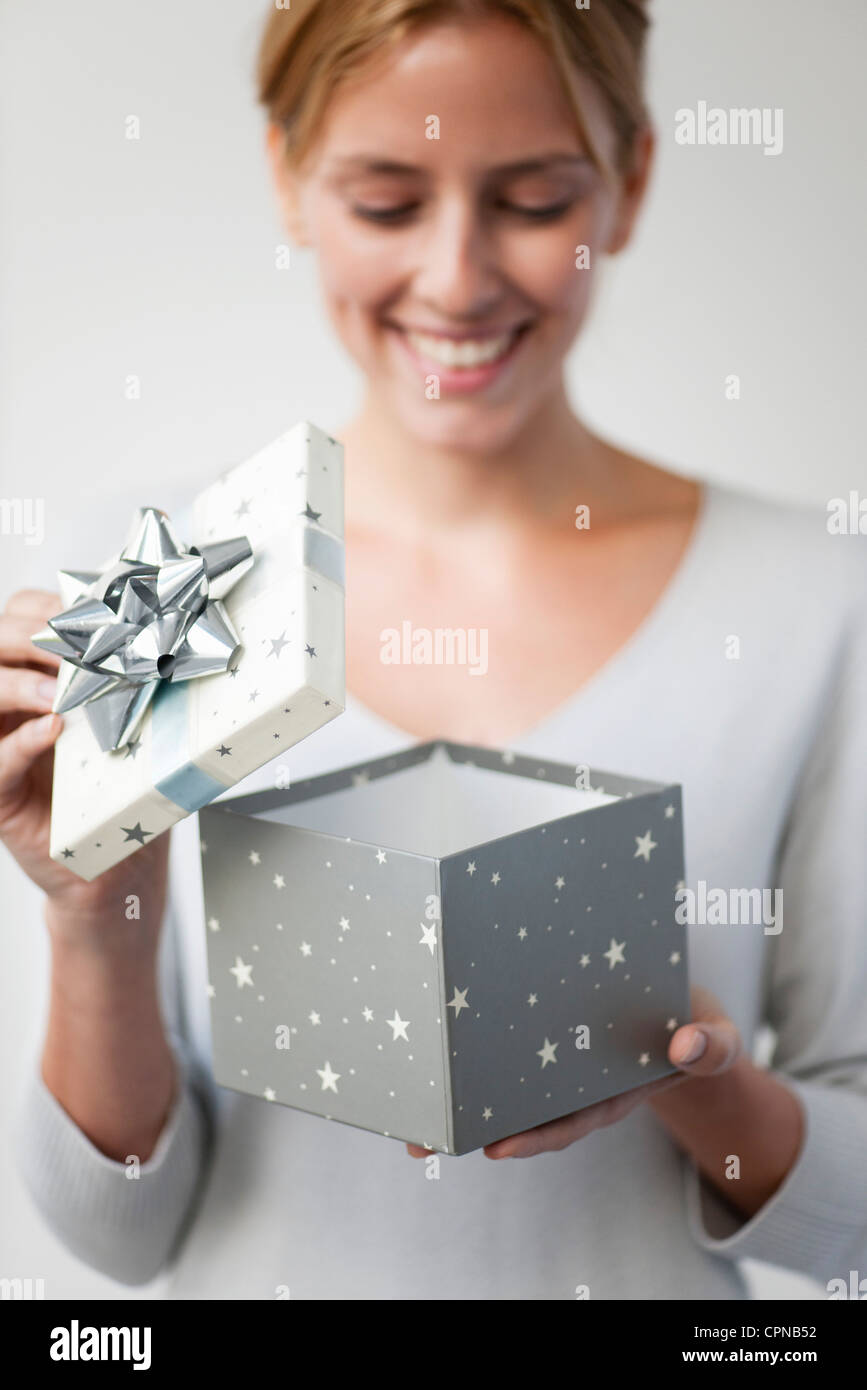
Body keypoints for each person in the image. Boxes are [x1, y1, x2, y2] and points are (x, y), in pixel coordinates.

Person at [3, 0, 867, 1299]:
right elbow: (126, 1237)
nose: (458, 279)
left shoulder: (815, 597)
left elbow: (851, 1205)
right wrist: (98, 916)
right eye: (388, 203)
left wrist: (683, 1069)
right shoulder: (150, 584)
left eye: (530, 200)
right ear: (289, 176)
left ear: (630, 184)